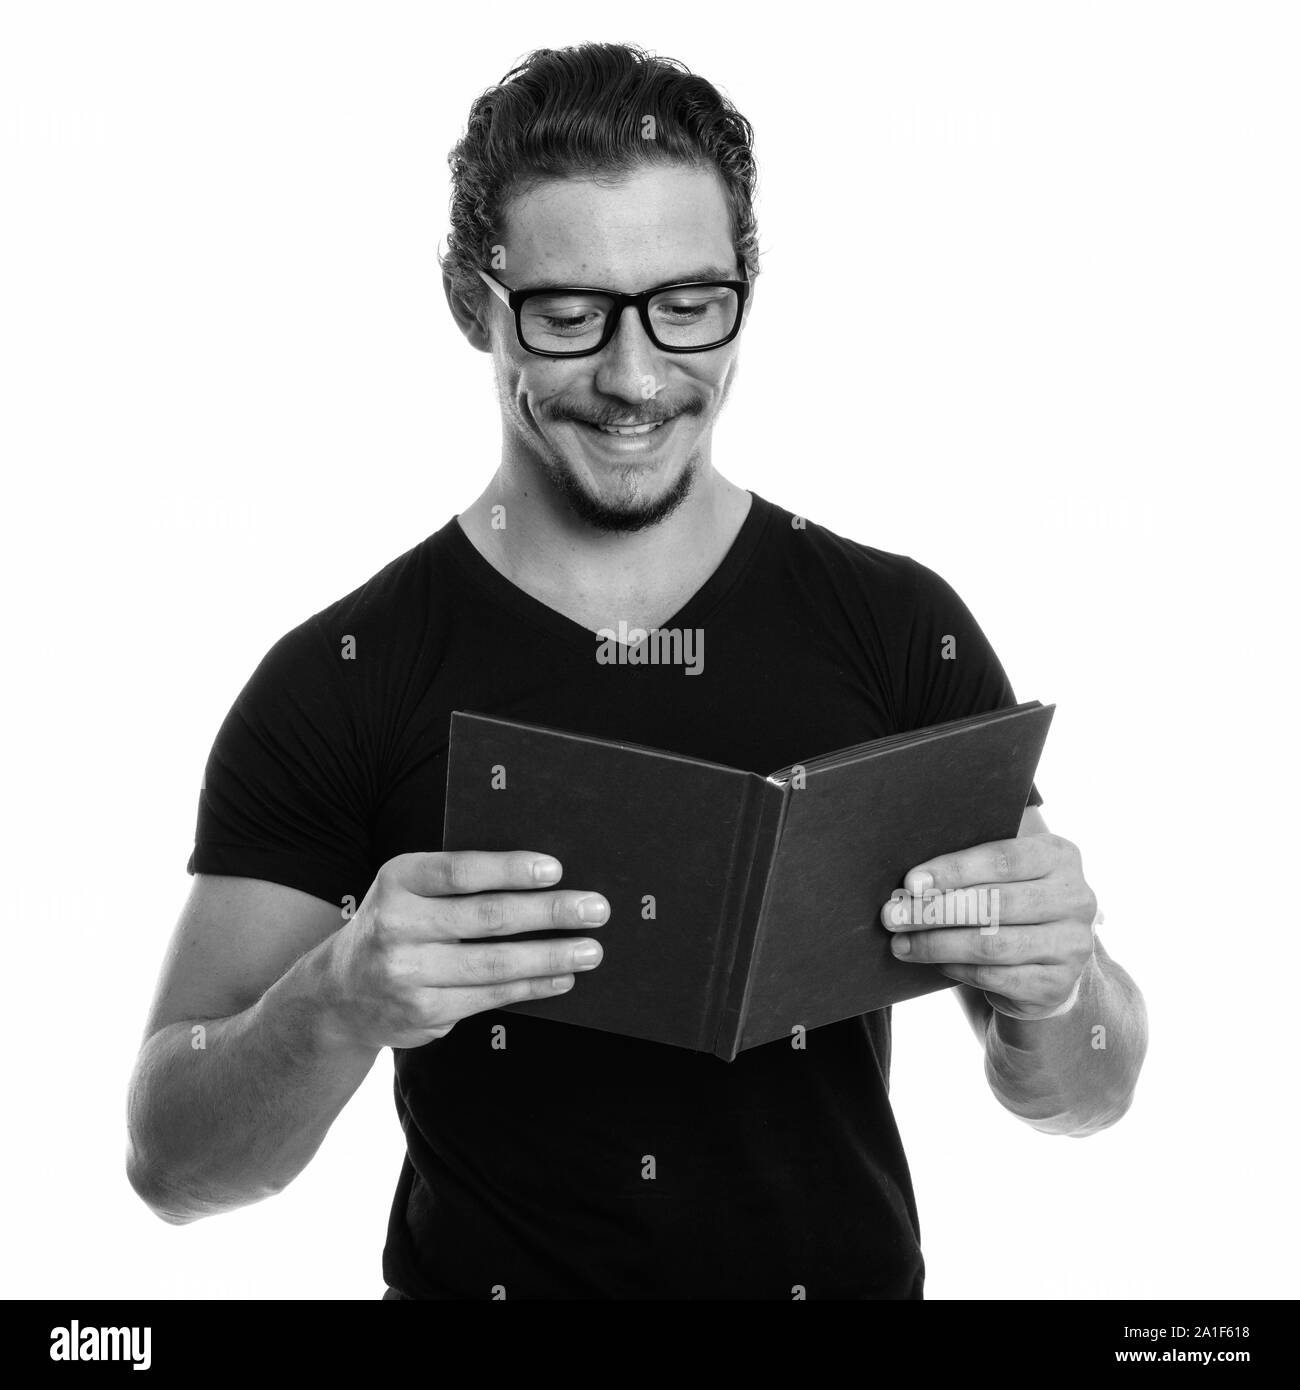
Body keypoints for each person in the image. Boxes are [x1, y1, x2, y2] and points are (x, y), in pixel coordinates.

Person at [126, 42, 1147, 1300]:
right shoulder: (343, 680)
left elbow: (1088, 1089)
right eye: (568, 316)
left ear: (744, 291)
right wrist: (333, 999)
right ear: (471, 303)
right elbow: (171, 1163)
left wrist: (1060, 981)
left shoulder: (896, 628)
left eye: (688, 304)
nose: (636, 377)